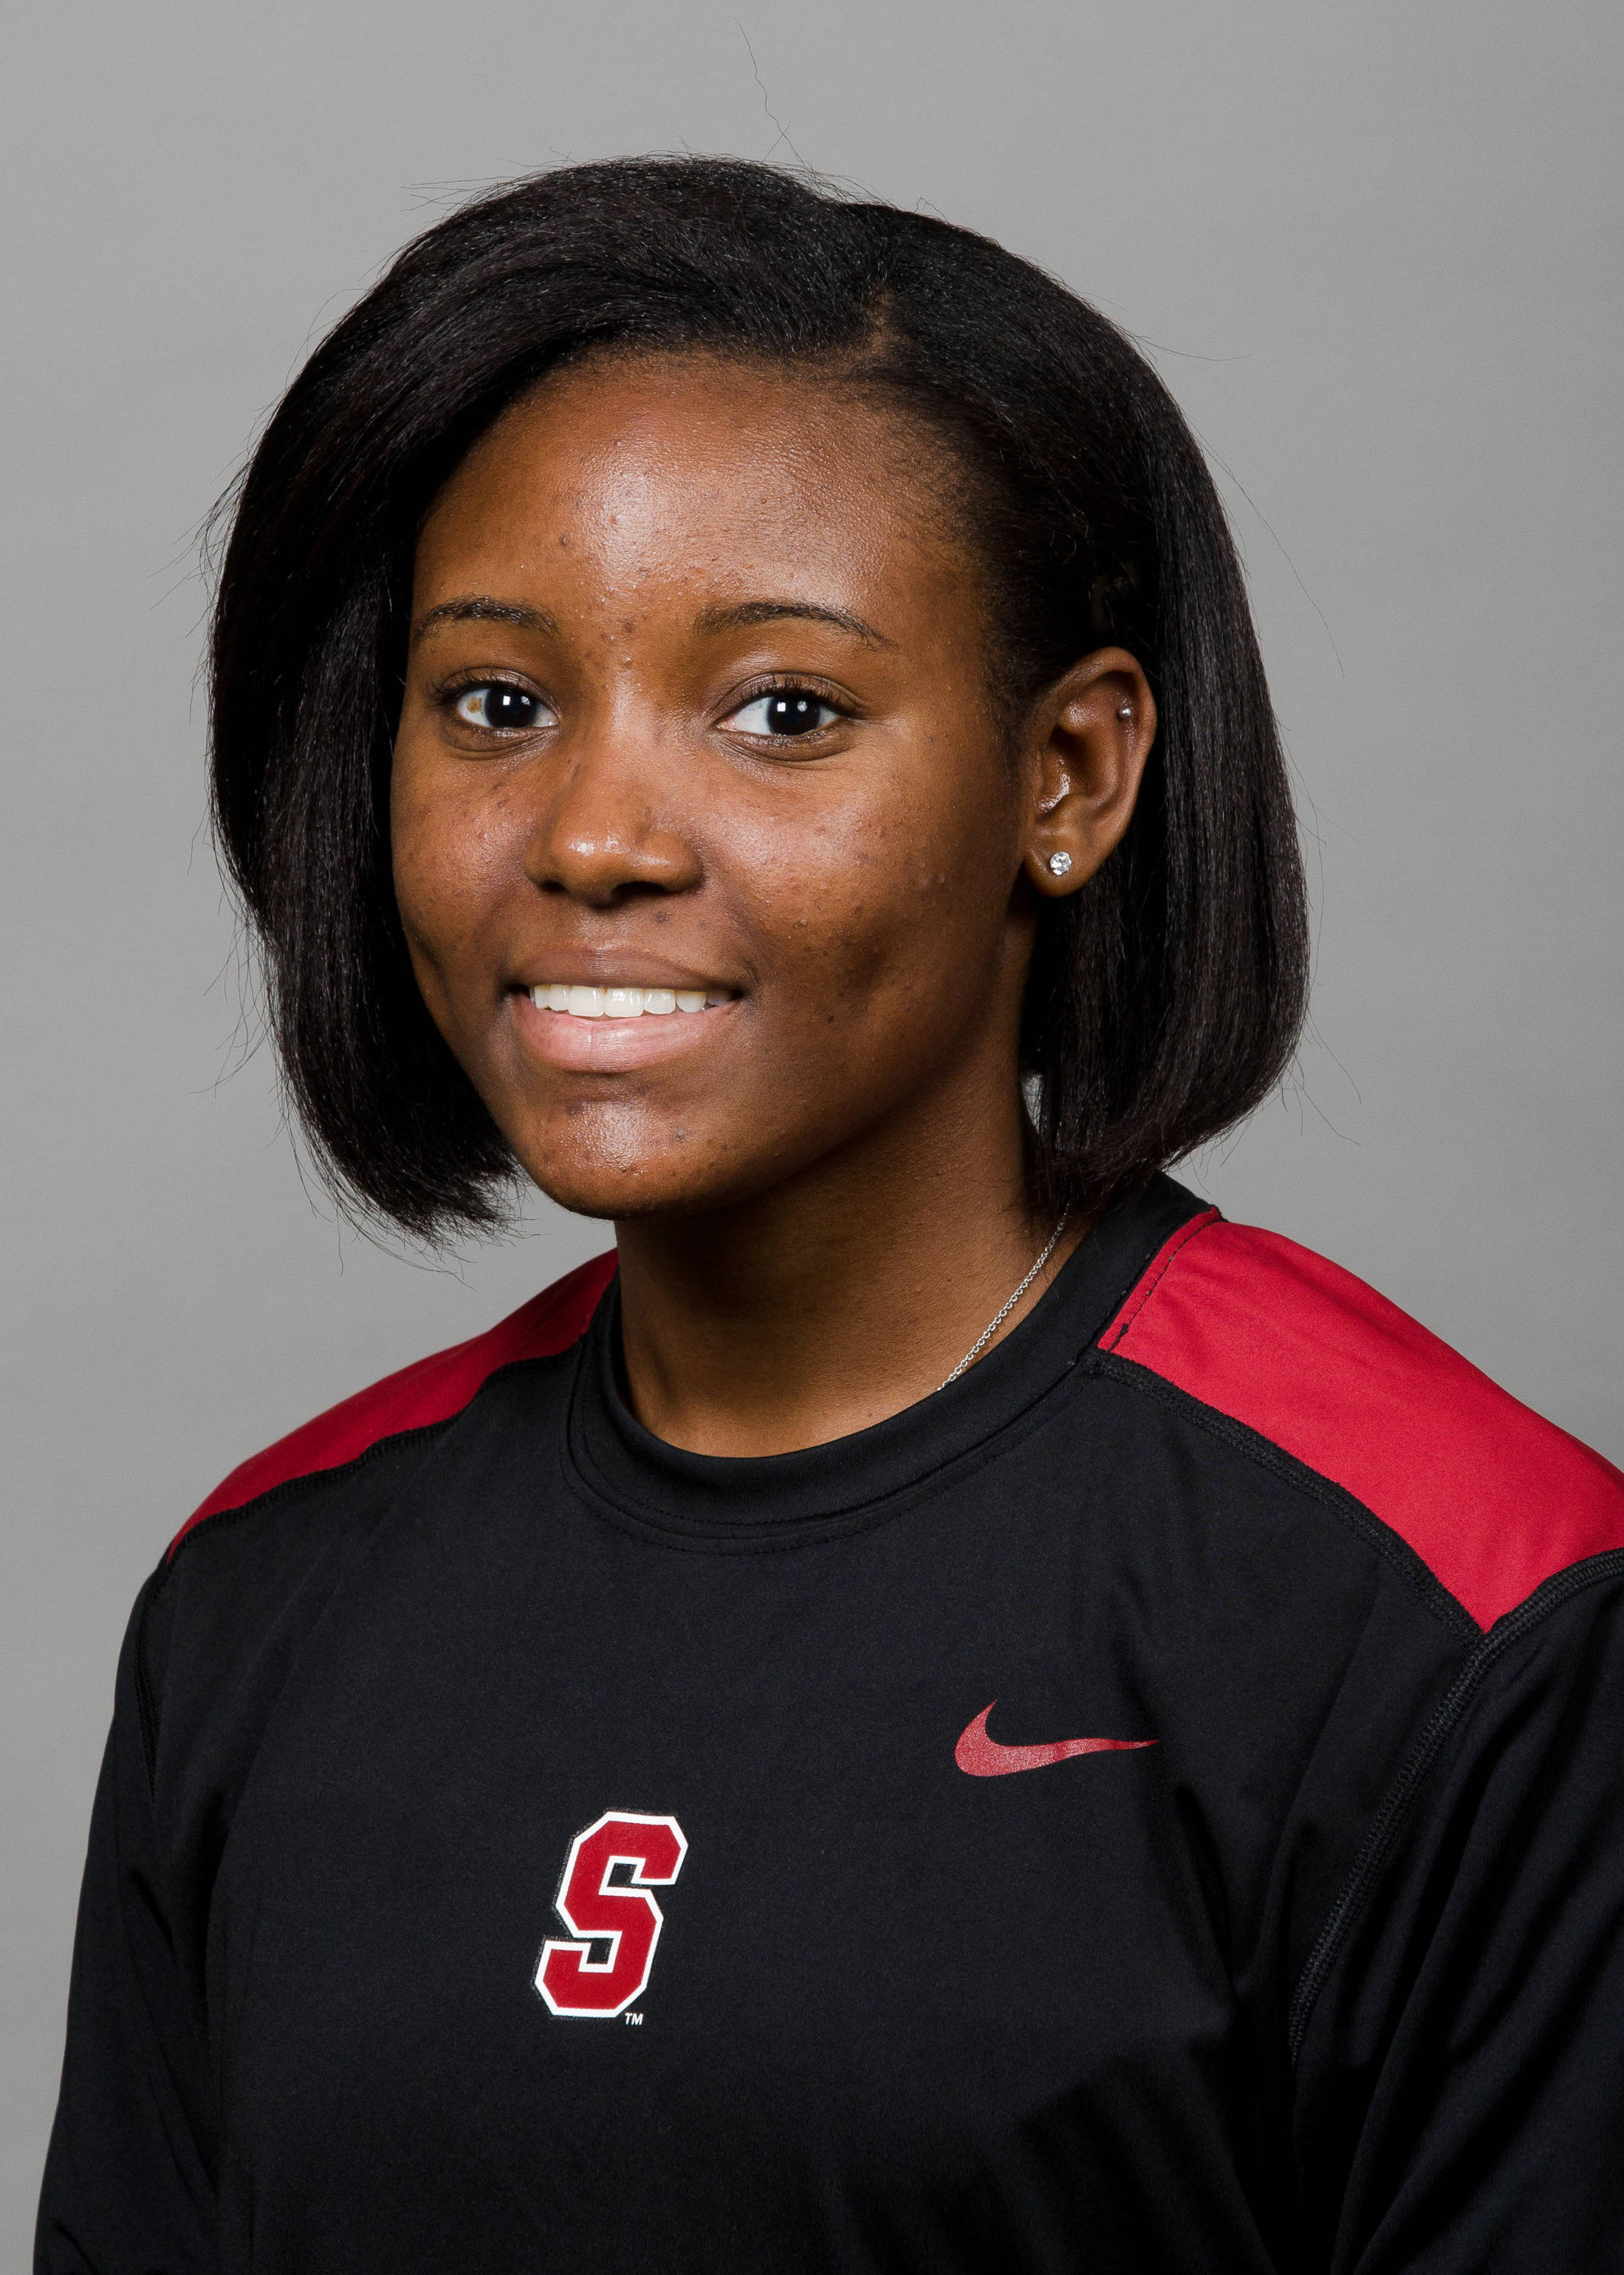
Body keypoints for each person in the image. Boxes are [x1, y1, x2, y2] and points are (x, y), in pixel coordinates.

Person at [36, 157, 1624, 2275]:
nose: (593, 836)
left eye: (783, 711)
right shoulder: (262, 1597)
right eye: (496, 704)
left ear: (1069, 775)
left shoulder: (1464, 1608)